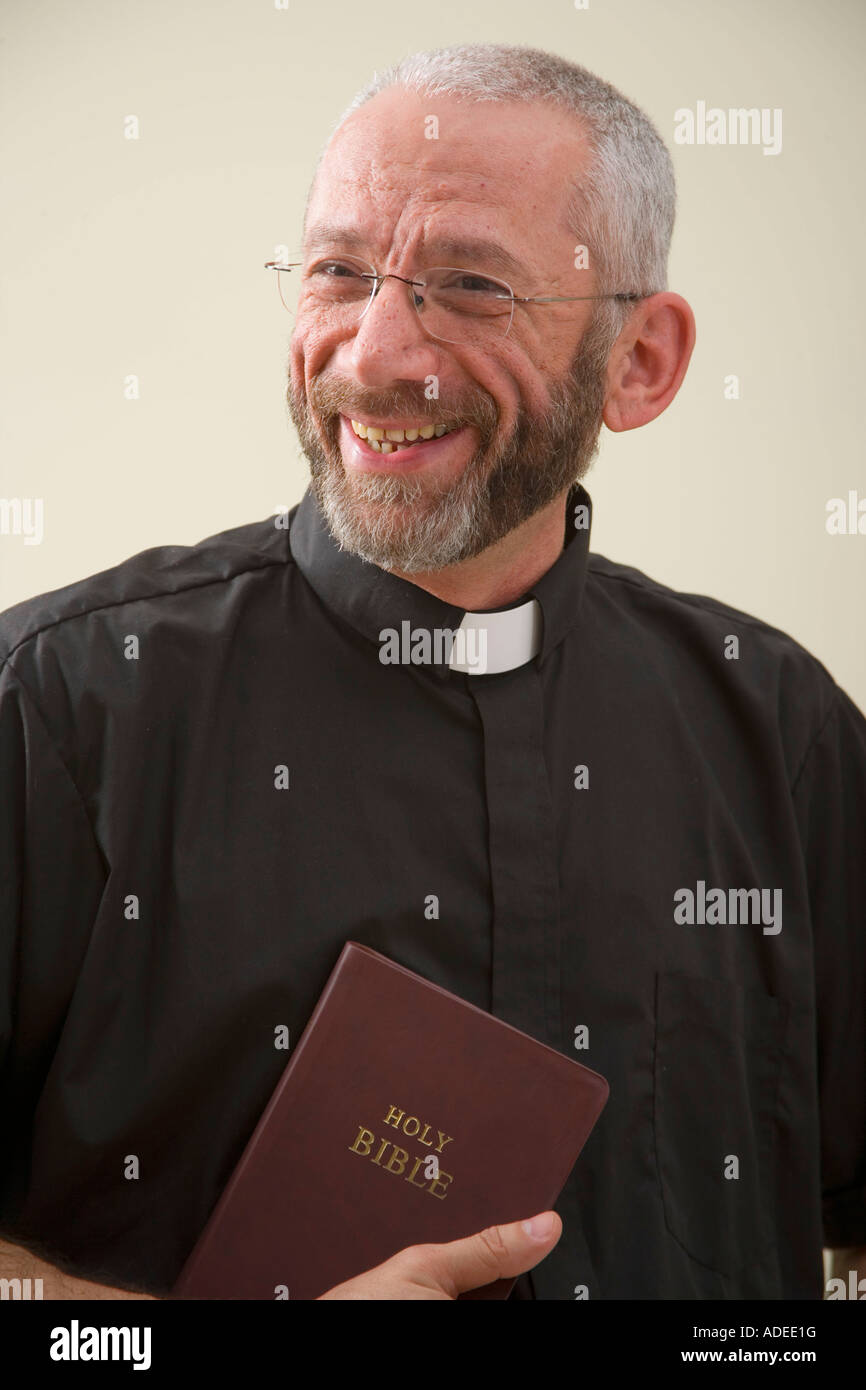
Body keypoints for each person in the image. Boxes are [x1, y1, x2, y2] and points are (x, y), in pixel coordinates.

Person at [1, 42, 863, 1302]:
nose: (370, 353)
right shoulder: (55, 708)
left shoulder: (785, 734)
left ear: (640, 363)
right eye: (338, 271)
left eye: (468, 286)